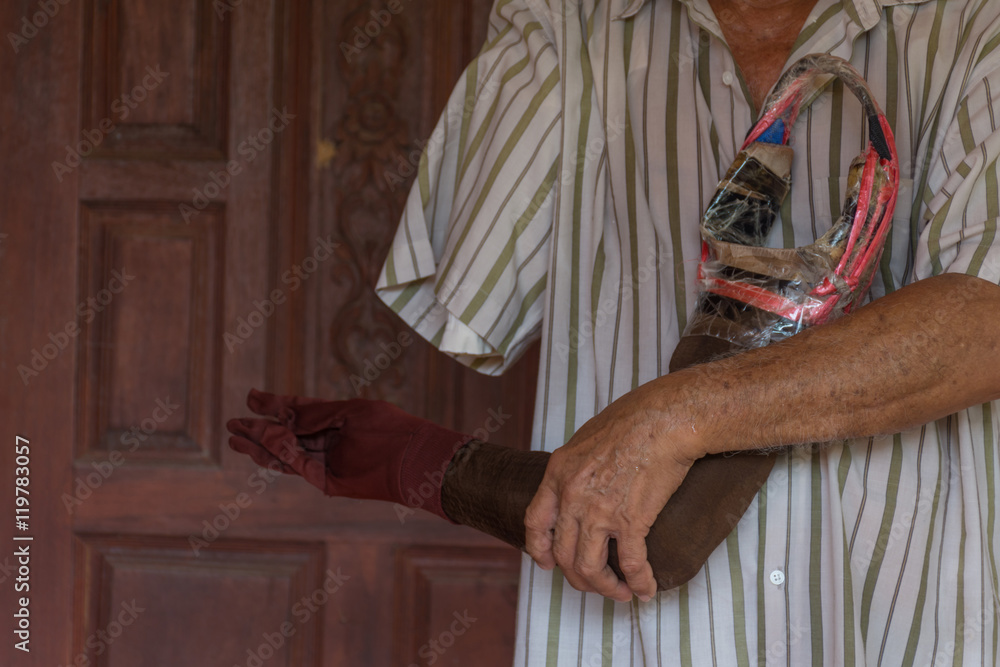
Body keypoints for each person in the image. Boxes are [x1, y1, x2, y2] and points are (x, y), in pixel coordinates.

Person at [239, 0, 1000, 663]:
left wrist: (674, 419)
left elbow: (986, 326)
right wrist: (424, 464)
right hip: (640, 639)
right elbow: (473, 298)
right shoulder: (570, 28)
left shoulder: (973, 24)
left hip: (899, 626)